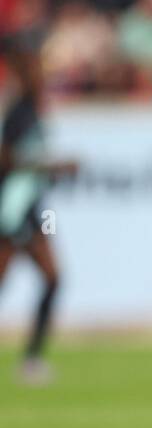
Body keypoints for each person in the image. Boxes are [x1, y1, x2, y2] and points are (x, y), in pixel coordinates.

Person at [0, 37, 77, 385]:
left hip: (30, 207)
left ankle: (31, 359)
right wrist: (50, 166)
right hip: (12, 208)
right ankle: (31, 359)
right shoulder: (18, 110)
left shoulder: (34, 110)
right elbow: (6, 158)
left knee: (52, 278)